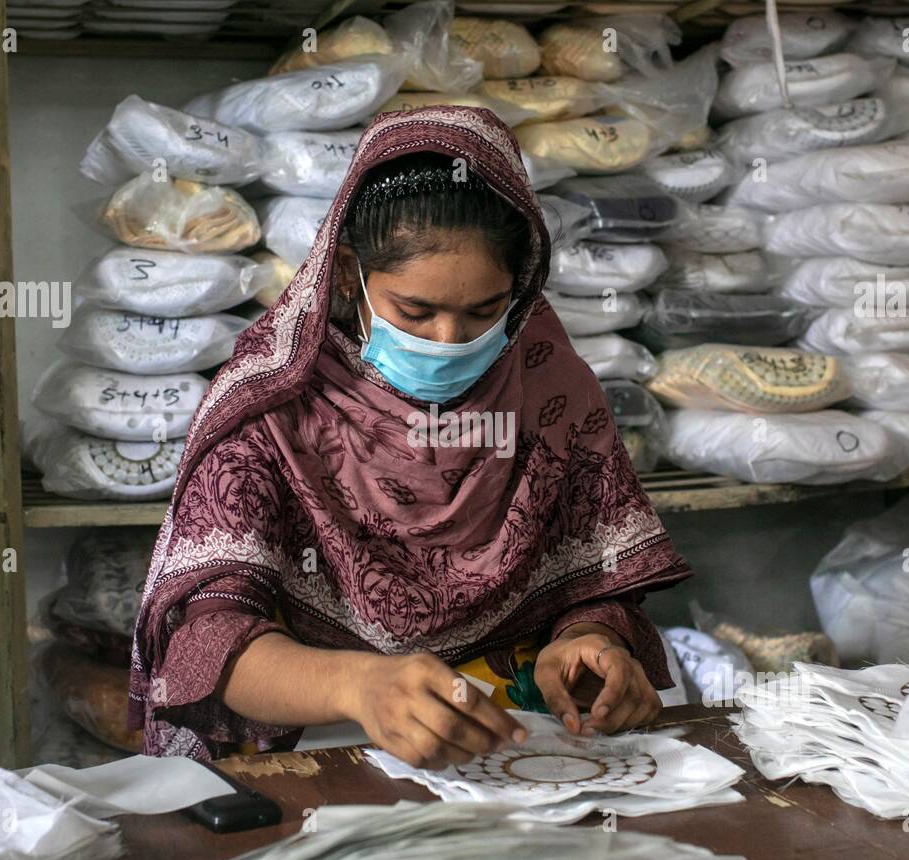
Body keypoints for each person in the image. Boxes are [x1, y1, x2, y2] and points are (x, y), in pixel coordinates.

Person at [129, 105, 691, 767]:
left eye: (484, 312)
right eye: (415, 311)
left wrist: (589, 643)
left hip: (525, 750)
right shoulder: (272, 409)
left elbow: (594, 587)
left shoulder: (551, 390)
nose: (450, 342)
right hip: (321, 753)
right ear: (347, 275)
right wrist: (359, 685)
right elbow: (205, 639)